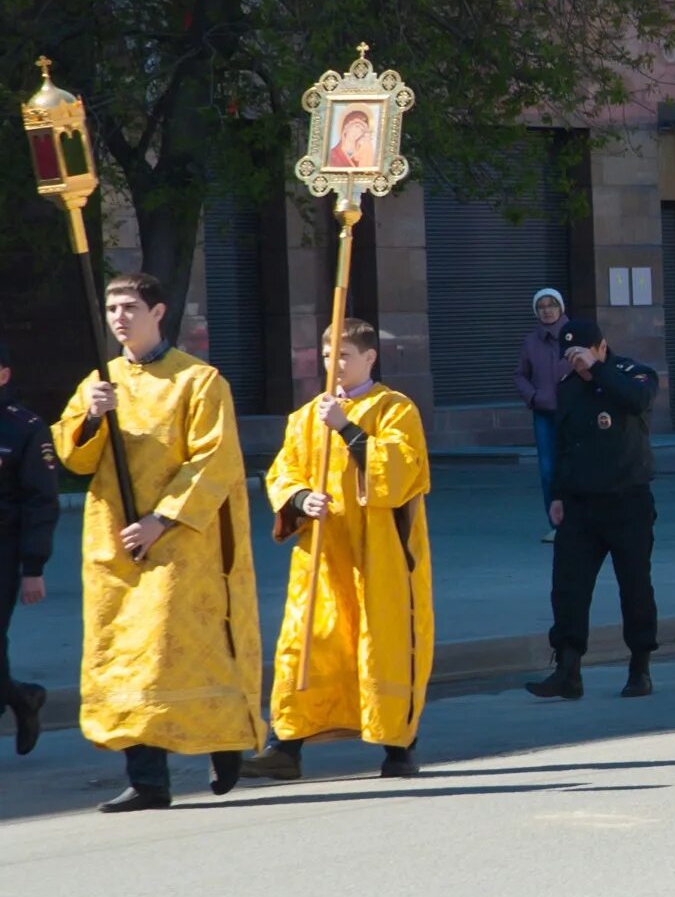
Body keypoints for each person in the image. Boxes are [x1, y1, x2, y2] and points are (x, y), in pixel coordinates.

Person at [55, 273, 260, 810]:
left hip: (180, 544)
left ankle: (224, 740)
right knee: (128, 657)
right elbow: (74, 459)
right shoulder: (99, 381)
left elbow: (214, 461)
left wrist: (161, 519)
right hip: (115, 541)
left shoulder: (198, 381)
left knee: (180, 651)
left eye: (130, 307)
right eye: (112, 308)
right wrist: (91, 417)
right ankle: (147, 781)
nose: (119, 317)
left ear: (158, 312)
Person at [240, 320, 433, 782]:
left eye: (344, 355)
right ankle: (285, 745)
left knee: (383, 644)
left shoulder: (394, 408)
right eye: (328, 355)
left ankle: (398, 747)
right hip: (324, 556)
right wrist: (301, 498)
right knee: (307, 643)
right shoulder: (306, 417)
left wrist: (347, 428)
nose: (334, 364)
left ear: (370, 358)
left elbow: (403, 471)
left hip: (379, 554)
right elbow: (283, 472)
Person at [523, 318, 663, 701]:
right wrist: (557, 495)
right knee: (568, 587)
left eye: (582, 356)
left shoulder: (632, 374)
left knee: (635, 586)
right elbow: (563, 445)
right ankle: (567, 670)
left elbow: (639, 401)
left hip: (627, 501)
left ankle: (640, 668)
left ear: (601, 347)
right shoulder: (569, 387)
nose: (578, 366)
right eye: (571, 359)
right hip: (580, 504)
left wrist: (598, 370)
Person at [0, 343, 59, 755]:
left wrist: (33, 567)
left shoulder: (24, 427)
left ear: (3, 374)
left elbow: (41, 501)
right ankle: (22, 698)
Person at [514, 288, 568, 539]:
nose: (547, 310)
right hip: (544, 414)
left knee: (575, 466)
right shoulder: (531, 342)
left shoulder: (574, 335)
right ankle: (556, 524)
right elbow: (520, 375)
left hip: (573, 413)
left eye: (552, 305)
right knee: (548, 469)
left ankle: (579, 521)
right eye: (542, 306)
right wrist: (534, 397)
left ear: (561, 307)